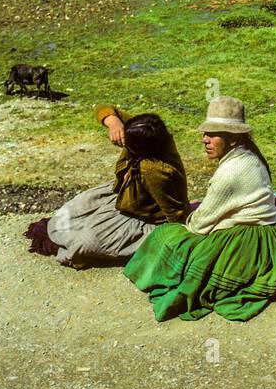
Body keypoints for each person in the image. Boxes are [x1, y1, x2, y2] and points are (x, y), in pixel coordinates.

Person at [123, 96, 276, 321]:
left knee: (167, 236)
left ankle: (155, 274)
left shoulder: (229, 173)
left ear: (231, 138)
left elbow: (199, 226)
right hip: (273, 237)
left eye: (212, 135)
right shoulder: (250, 154)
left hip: (251, 242)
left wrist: (185, 222)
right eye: (204, 134)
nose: (204, 140)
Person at [25, 107, 189, 268]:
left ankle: (77, 254)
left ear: (140, 150)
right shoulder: (146, 129)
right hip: (125, 194)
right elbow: (103, 108)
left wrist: (173, 240)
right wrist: (114, 122)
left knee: (87, 242)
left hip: (143, 217)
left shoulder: (153, 170)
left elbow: (175, 213)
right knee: (72, 210)